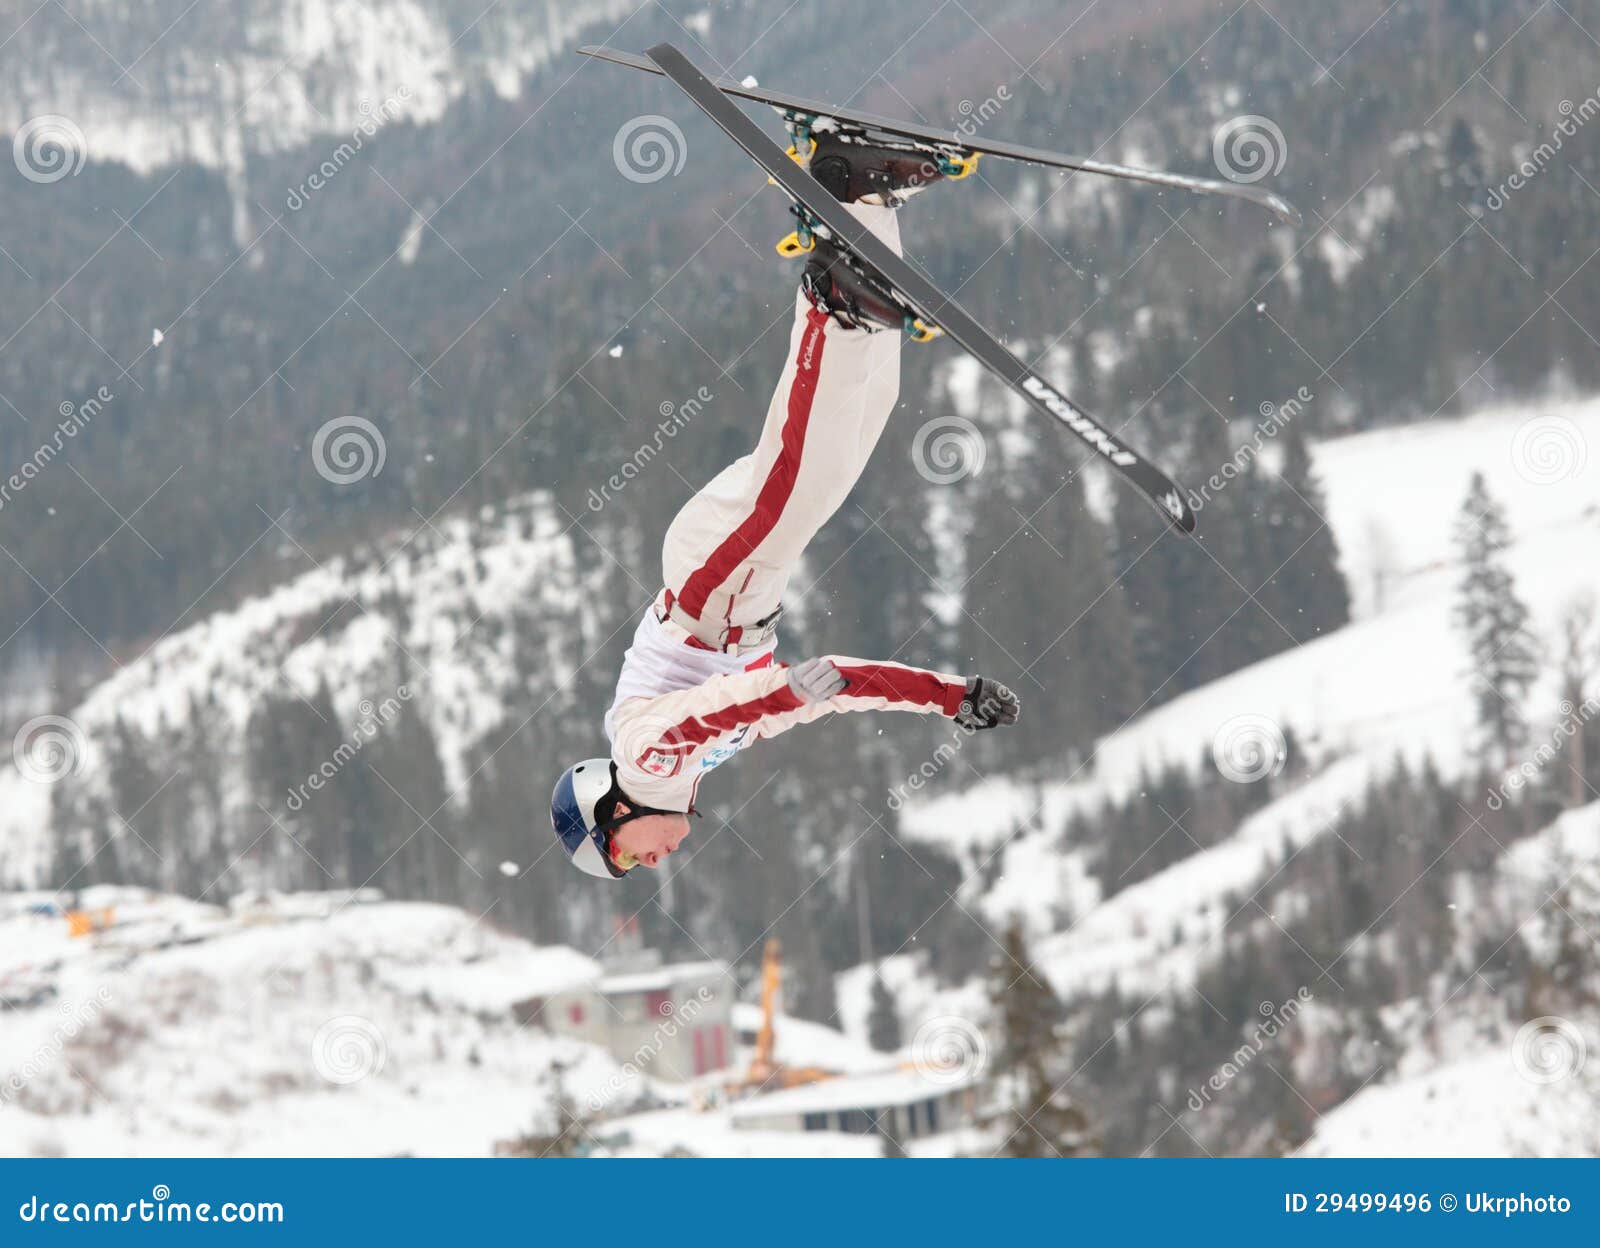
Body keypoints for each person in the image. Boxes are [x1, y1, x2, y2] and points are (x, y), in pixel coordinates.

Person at [551, 134, 1019, 880]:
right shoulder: (692, 769)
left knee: (807, 469)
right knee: (860, 426)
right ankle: (858, 193)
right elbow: (826, 689)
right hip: (736, 589)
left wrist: (783, 689)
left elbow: (719, 708)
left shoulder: (642, 757)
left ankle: (830, 297)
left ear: (612, 812)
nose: (651, 860)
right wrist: (948, 697)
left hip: (712, 590)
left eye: (626, 858)